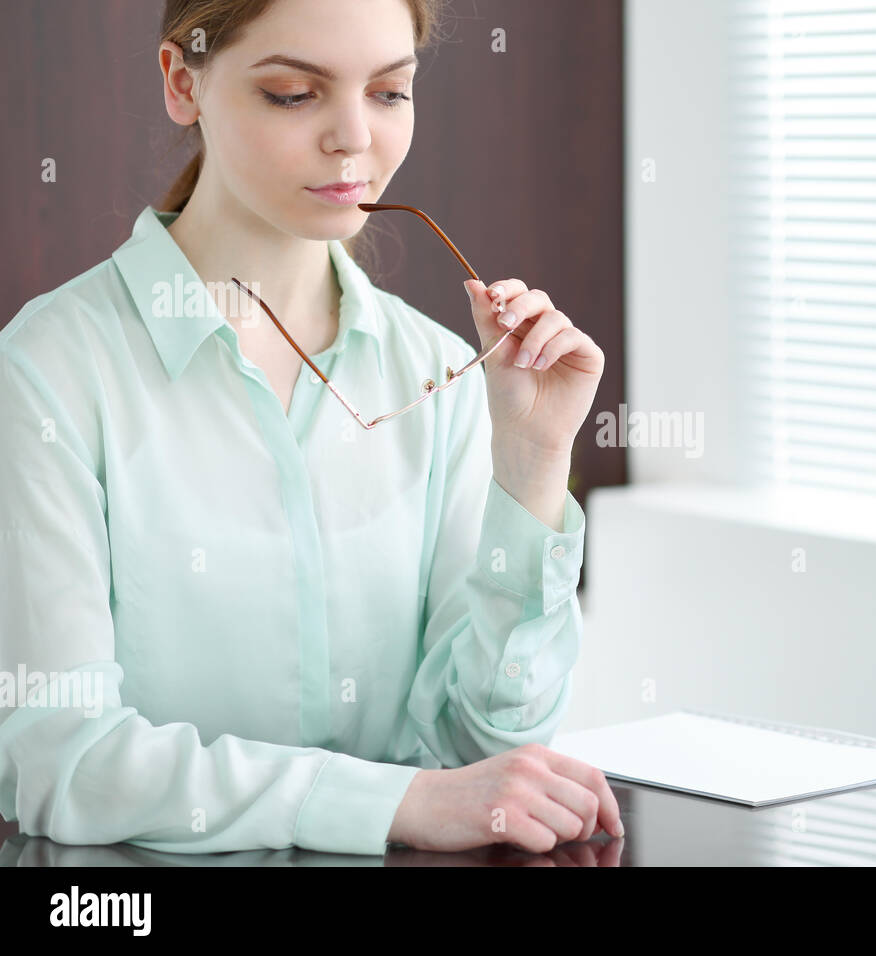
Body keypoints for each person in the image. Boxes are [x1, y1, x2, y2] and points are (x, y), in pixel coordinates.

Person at [0, 0, 622, 856]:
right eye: (295, 93)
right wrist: (392, 802)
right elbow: (64, 761)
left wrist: (534, 460)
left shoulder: (437, 371)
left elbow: (486, 754)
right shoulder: (50, 370)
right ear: (185, 82)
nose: (353, 139)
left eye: (390, 92)